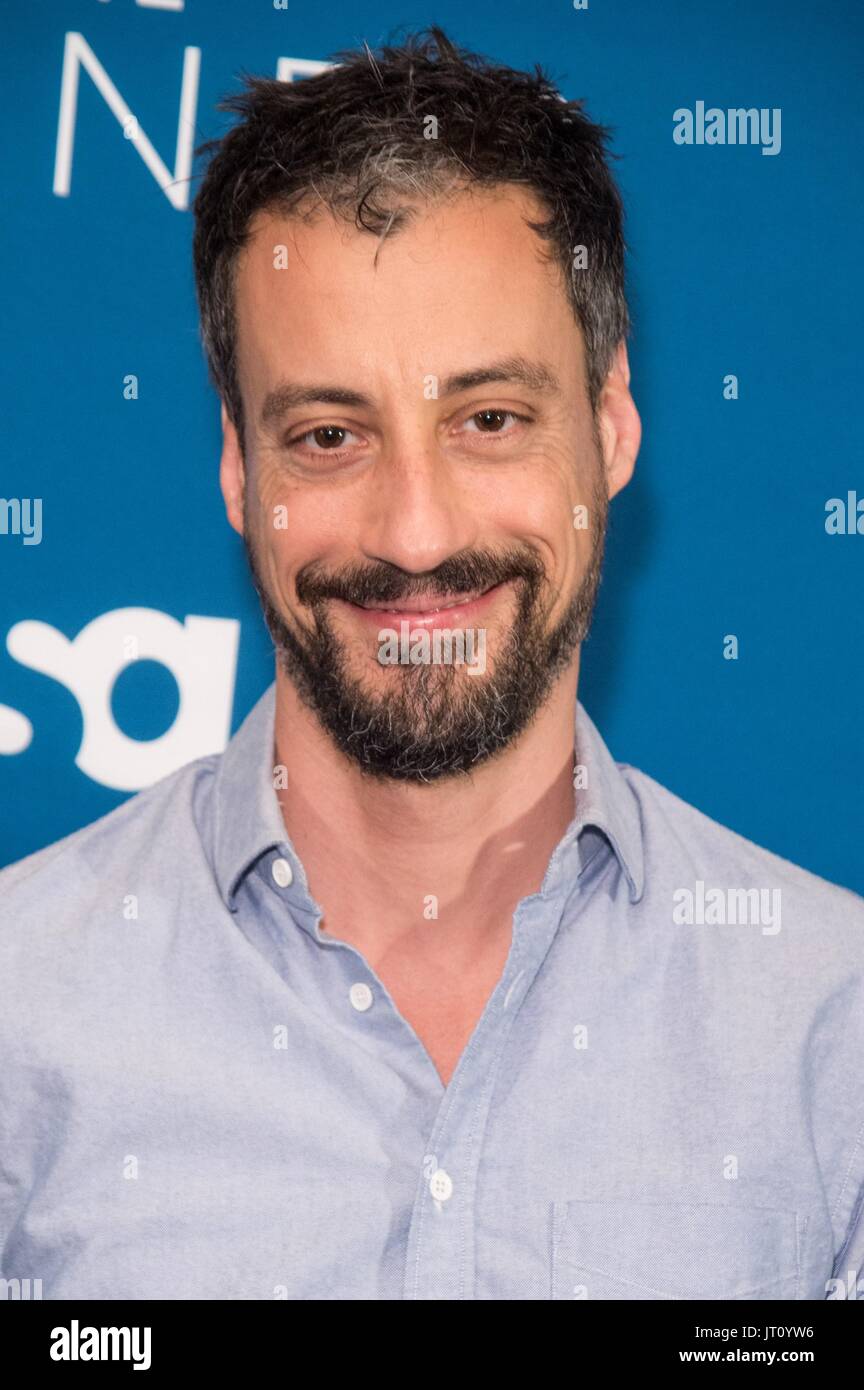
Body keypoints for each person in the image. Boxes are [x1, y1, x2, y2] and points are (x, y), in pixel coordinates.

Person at [1, 27, 862, 1302]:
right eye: (331, 433)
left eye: (491, 419)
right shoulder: (23, 1010)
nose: (415, 532)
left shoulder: (830, 1030)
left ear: (613, 426)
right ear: (240, 468)